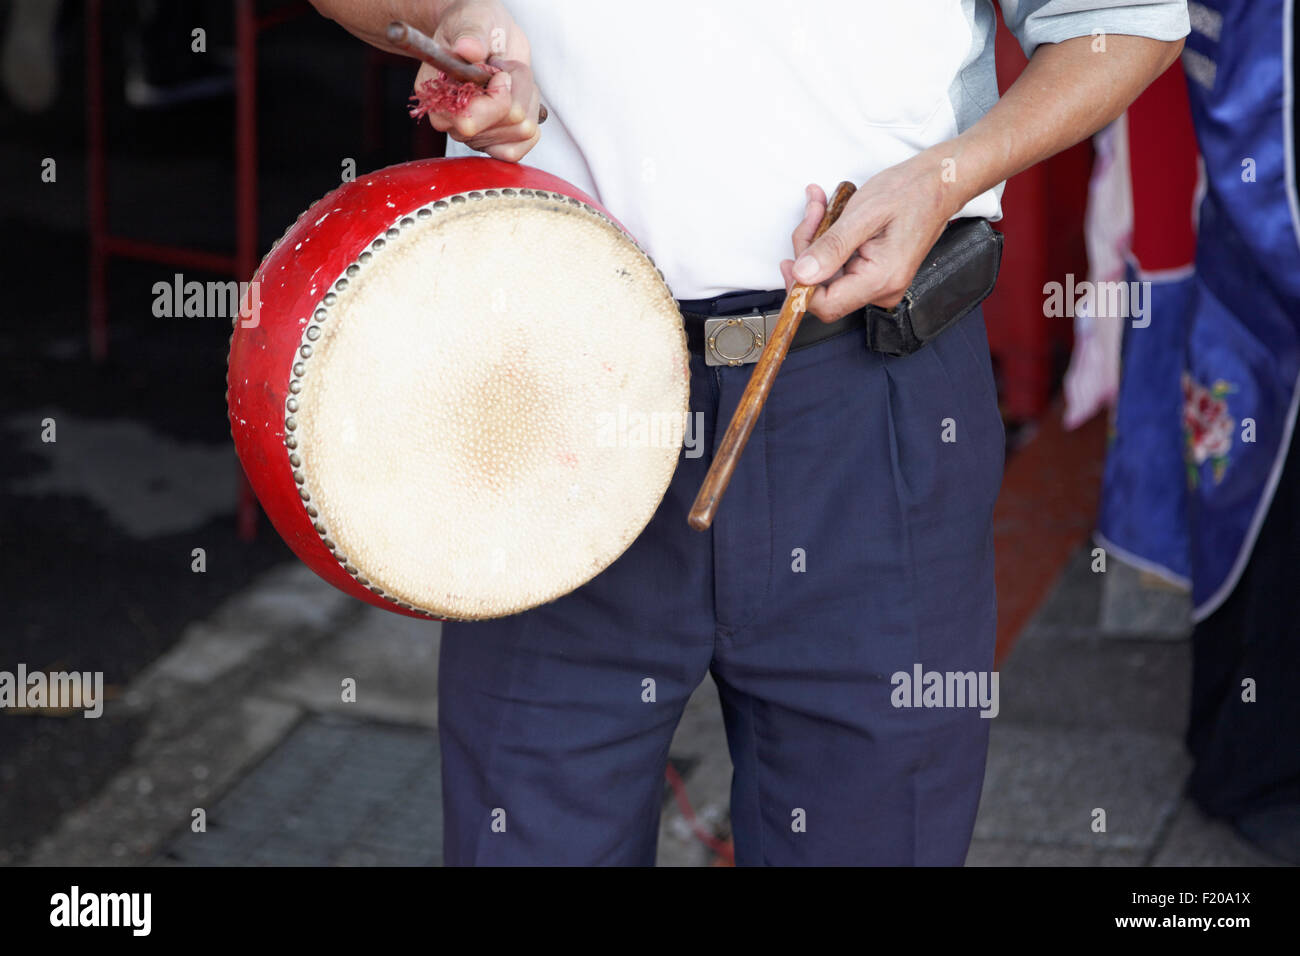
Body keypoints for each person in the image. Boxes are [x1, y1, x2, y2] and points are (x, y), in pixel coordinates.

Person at [310, 0, 1188, 866]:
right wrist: (454, 12)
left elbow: (1122, 22)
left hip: (868, 399)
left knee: (878, 831)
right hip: (547, 395)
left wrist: (949, 173)